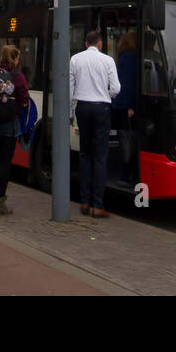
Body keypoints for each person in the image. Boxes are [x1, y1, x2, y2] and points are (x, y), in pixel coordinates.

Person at [69, 28, 120, 218]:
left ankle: (84, 201)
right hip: (101, 108)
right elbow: (116, 88)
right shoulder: (108, 61)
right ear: (100, 44)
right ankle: (97, 205)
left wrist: (70, 112)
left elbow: (70, 88)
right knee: (99, 156)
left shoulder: (75, 59)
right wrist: (106, 95)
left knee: (85, 154)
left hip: (82, 107)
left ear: (85, 44)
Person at [0, 44, 30, 215]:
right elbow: (24, 97)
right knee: (5, 162)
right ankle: (0, 201)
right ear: (14, 58)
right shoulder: (17, 76)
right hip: (10, 124)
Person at [112, 31, 138, 185]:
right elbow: (127, 84)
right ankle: (125, 175)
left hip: (121, 104)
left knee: (126, 139)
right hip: (126, 106)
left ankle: (125, 174)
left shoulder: (124, 56)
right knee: (129, 140)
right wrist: (130, 106)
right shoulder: (130, 58)